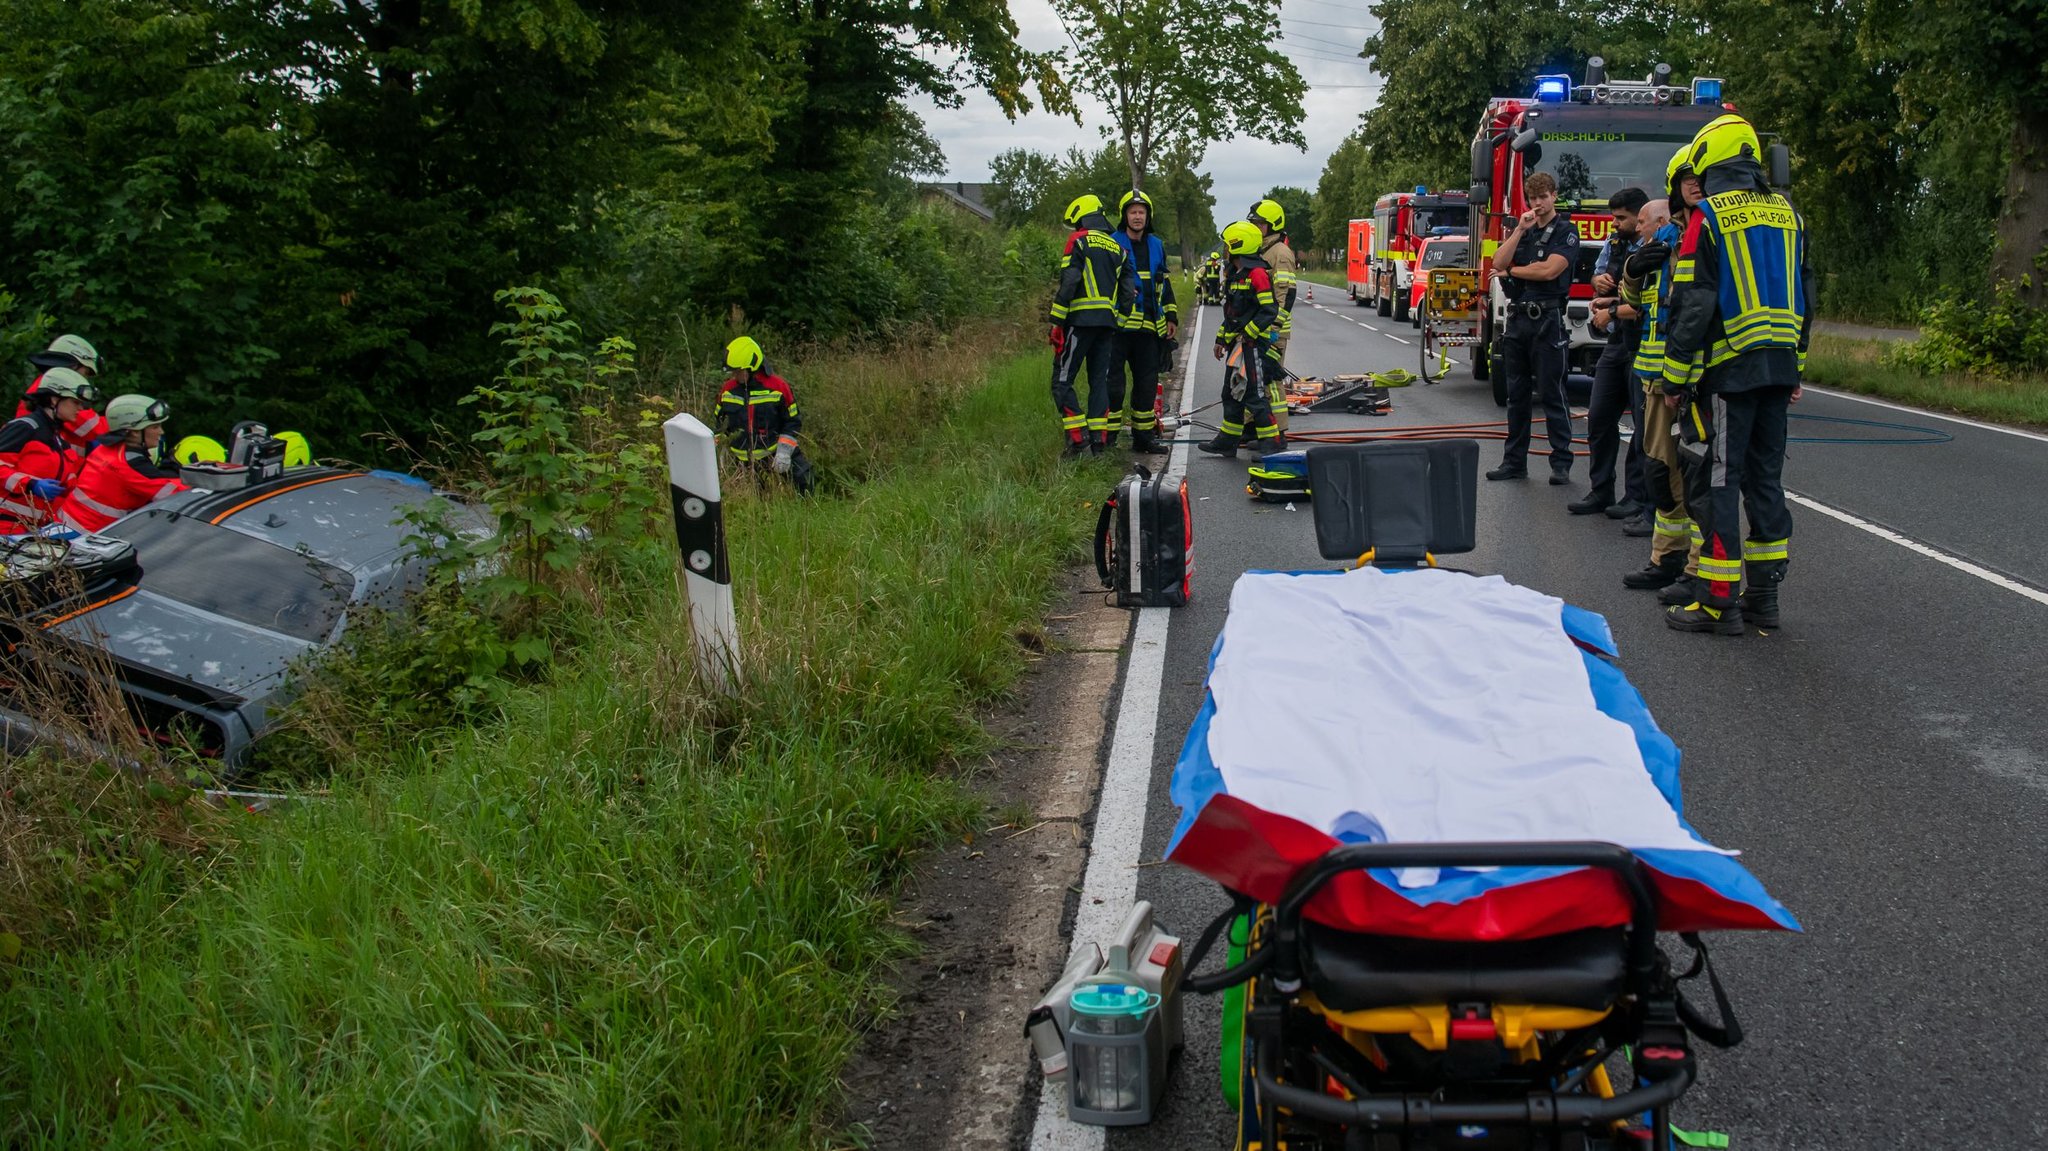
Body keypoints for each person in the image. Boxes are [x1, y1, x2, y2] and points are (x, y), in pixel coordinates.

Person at [1658, 114, 1813, 634]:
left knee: (1721, 481)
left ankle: (1717, 601)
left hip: (1731, 371)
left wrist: (1675, 378)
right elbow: (1806, 296)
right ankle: (1763, 599)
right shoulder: (1788, 213)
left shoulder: (1709, 216)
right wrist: (1797, 367)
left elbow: (1694, 306)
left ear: (1707, 159)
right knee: (1766, 481)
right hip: (1779, 365)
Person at [1622, 154, 1708, 599]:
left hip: (1692, 378)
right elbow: (1636, 299)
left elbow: (1696, 308)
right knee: (1659, 471)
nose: (1640, 230)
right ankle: (1666, 557)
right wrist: (1633, 272)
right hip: (1655, 375)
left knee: (1695, 478)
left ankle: (1696, 569)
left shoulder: (1705, 235)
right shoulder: (1667, 238)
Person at [1486, 171, 1580, 483]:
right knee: (1517, 396)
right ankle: (1514, 462)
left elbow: (1549, 270)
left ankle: (1561, 463)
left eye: (1543, 197)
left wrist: (1514, 270)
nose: (1538, 203)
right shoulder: (1524, 231)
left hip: (1547, 321)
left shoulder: (1566, 231)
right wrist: (1517, 232)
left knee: (1553, 393)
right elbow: (1497, 263)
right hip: (1518, 321)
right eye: (1533, 198)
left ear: (1554, 195)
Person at [1573, 186, 1650, 517]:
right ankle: (1600, 490)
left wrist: (1612, 310)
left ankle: (1636, 496)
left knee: (1643, 429)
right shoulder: (1615, 242)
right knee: (1600, 417)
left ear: (1640, 217)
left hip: (1644, 342)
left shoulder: (1652, 247)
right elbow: (1598, 274)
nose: (1615, 223)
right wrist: (1599, 283)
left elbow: (1649, 301)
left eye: (1621, 218)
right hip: (1616, 343)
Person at [1049, 194, 1138, 457]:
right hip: (1107, 327)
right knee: (1099, 381)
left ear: (1080, 217)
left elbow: (1069, 282)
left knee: (1062, 381)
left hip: (1079, 322)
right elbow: (1127, 294)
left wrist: (1056, 322)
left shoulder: (1078, 241)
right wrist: (1118, 322)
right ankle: (1098, 443)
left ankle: (1078, 440)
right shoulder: (1117, 249)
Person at [1197, 220, 1286, 459]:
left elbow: (1269, 310)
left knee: (1254, 394)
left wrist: (1250, 333)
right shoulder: (1236, 274)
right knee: (1230, 393)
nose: (1225, 249)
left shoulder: (1257, 274)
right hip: (1238, 346)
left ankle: (1272, 441)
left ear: (1238, 245)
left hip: (1253, 346)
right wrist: (1221, 340)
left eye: (1227, 245)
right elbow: (1232, 315)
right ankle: (1228, 441)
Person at [54, 395, 190, 533]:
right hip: (84, 537)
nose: (161, 432)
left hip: (65, 528)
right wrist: (206, 478)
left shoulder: (108, 449)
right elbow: (176, 493)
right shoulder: (129, 464)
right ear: (134, 432)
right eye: (155, 427)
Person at [1107, 189, 1178, 453]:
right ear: (1124, 215)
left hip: (1149, 328)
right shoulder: (1112, 242)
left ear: (1148, 216)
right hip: (1118, 328)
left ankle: (1144, 439)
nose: (1137, 217)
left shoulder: (1156, 245)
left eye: (1141, 212)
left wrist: (1171, 316)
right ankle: (1108, 440)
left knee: (1147, 386)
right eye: (1132, 212)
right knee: (1114, 386)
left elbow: (1164, 283)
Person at [0, 367, 95, 533]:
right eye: (75, 402)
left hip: (29, 529)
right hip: (5, 525)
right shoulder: (25, 427)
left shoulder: (58, 439)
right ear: (53, 399)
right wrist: (31, 484)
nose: (80, 409)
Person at [716, 336, 813, 494]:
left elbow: (793, 421)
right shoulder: (727, 390)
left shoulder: (778, 387)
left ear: (752, 367)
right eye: (734, 371)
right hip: (742, 461)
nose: (735, 375)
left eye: (738, 371)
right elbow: (719, 423)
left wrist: (784, 451)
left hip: (774, 451)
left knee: (805, 481)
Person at [1246, 199, 1298, 443]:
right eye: (1254, 223)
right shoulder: (1263, 249)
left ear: (1272, 225)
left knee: (1271, 382)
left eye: (1260, 223)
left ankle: (1278, 432)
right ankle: (1255, 428)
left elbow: (1285, 296)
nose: (1256, 227)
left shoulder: (1280, 254)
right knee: (1254, 380)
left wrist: (1273, 329)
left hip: (1273, 331)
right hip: (1259, 328)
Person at [19, 334, 109, 451]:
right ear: (73, 366)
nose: (86, 379)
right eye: (86, 372)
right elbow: (94, 429)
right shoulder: (58, 390)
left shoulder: (45, 385)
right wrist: (123, 422)